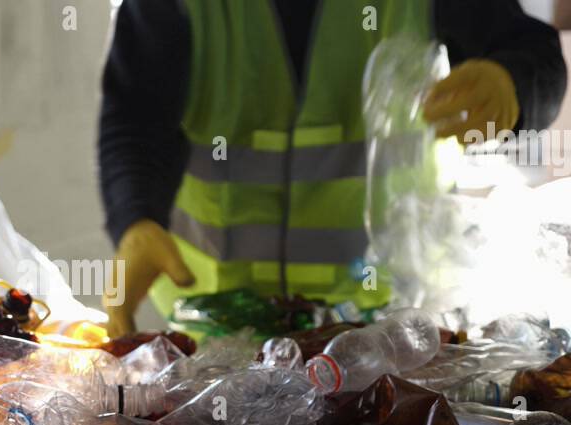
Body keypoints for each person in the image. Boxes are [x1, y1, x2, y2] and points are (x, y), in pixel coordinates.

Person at [99, 0, 568, 337]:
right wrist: (135, 218)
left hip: (387, 332)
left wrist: (512, 83)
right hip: (218, 330)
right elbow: (136, 119)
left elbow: (536, 54)